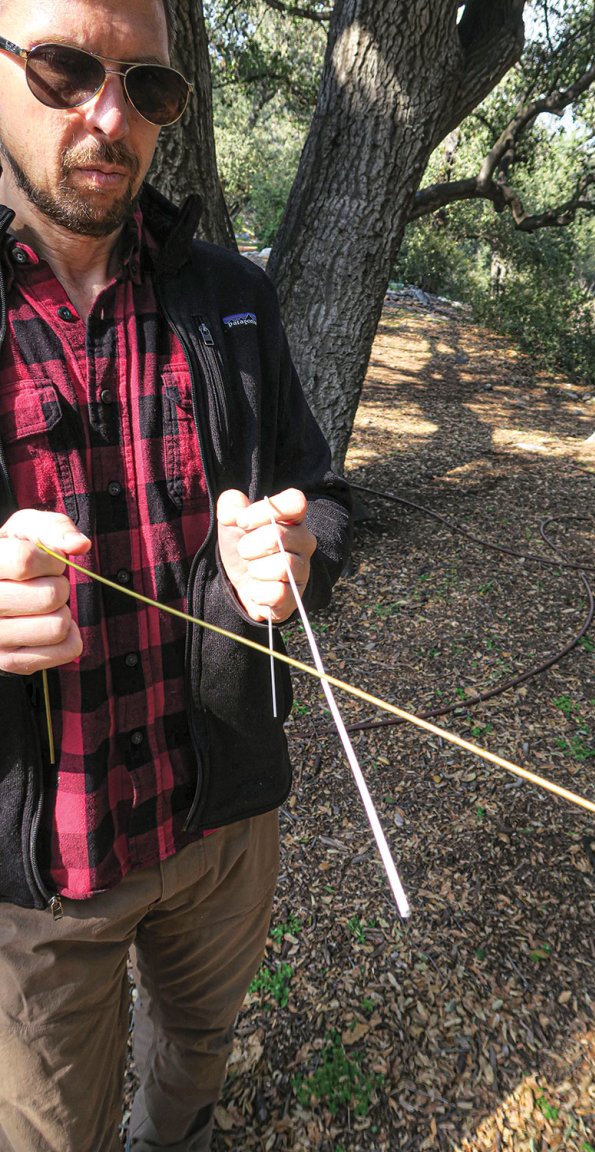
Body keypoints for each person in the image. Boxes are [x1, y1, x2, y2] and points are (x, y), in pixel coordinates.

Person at [0, 0, 351, 1148]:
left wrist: (303, 549)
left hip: (225, 823)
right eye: (63, 68)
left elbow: (325, 490)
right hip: (40, 879)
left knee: (197, 1052)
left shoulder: (233, 296)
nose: (111, 117)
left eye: (148, 88)